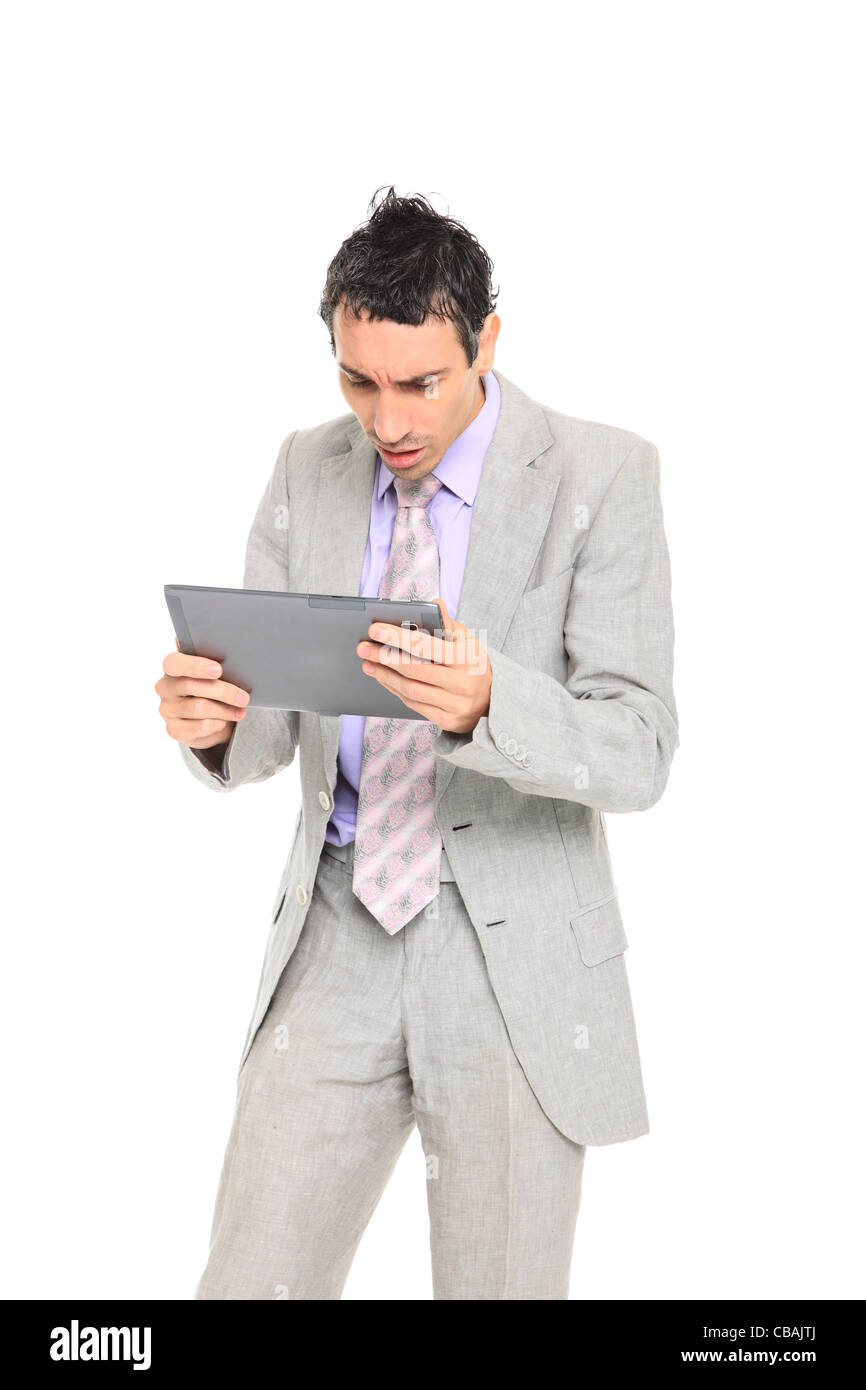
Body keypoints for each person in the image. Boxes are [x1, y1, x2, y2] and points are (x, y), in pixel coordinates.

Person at [155, 185, 679, 1300]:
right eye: (359, 380)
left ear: (484, 341)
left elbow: (636, 747)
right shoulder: (308, 467)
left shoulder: (601, 474)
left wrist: (490, 704)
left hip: (508, 950)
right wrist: (214, 729)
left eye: (420, 382)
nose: (385, 420)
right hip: (338, 928)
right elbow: (263, 736)